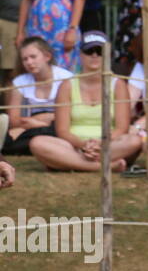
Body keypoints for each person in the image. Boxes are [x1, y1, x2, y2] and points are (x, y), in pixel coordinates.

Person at [29, 31, 141, 172]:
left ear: (108, 56)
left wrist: (99, 144)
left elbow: (122, 128)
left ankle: (67, 162)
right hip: (73, 146)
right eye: (89, 51)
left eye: (99, 51)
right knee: (37, 143)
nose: (94, 55)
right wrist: (83, 145)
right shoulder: (67, 85)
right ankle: (100, 166)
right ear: (80, 55)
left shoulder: (118, 84)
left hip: (110, 144)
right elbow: (62, 130)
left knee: (134, 141)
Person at [2, 37, 71, 155]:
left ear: (47, 57)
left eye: (33, 57)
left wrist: (36, 122)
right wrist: (42, 121)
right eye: (25, 59)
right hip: (30, 128)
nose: (29, 62)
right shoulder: (20, 82)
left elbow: (71, 116)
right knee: (8, 141)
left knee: (58, 132)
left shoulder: (66, 78)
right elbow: (14, 120)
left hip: (57, 127)